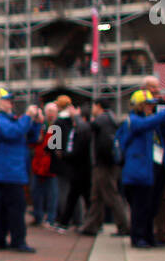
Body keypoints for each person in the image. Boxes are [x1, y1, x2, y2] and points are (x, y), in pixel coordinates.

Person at [118, 90, 165, 248]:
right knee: (140, 208)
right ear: (139, 105)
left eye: (152, 105)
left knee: (152, 206)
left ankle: (148, 236)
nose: (151, 108)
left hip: (154, 170)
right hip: (139, 172)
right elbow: (148, 124)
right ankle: (138, 237)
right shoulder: (134, 121)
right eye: (148, 105)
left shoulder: (153, 122)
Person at [0, 88, 43, 252]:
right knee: (16, 206)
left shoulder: (7, 118)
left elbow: (29, 137)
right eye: (7, 99)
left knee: (2, 207)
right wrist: (28, 117)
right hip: (8, 170)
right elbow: (13, 132)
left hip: (9, 170)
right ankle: (17, 240)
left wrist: (36, 123)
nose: (11, 102)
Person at [79, 100, 131, 237]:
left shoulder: (102, 120)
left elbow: (87, 129)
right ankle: (91, 225)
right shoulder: (112, 119)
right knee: (96, 196)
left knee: (110, 195)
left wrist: (76, 118)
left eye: (94, 106)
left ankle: (123, 225)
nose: (92, 109)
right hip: (109, 163)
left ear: (99, 106)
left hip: (103, 164)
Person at [53, 96, 90, 230]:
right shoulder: (75, 120)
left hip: (63, 161)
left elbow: (54, 145)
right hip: (78, 161)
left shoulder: (57, 122)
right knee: (77, 193)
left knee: (65, 192)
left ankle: (64, 219)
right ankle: (78, 219)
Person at [30, 101, 59, 227]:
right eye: (48, 112)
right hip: (38, 164)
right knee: (36, 192)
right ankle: (38, 216)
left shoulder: (56, 127)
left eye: (52, 112)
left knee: (51, 193)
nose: (50, 114)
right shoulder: (41, 126)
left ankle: (51, 217)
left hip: (49, 165)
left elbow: (54, 147)